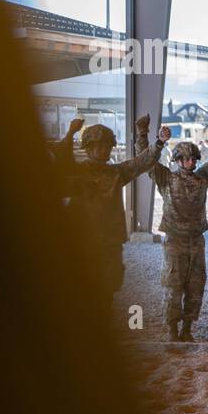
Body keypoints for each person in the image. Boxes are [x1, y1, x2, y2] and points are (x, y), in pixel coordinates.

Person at [134, 117, 208, 341]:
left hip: (196, 240)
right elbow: (144, 160)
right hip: (175, 240)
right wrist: (146, 134)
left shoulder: (202, 178)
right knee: (173, 286)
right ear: (178, 160)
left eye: (193, 159)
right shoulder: (166, 178)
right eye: (185, 159)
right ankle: (171, 330)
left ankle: (187, 329)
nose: (190, 162)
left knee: (195, 286)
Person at [54, 114, 164, 302]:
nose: (103, 150)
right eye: (97, 146)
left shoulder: (116, 173)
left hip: (109, 243)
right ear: (88, 148)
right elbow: (61, 164)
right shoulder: (77, 172)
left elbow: (141, 162)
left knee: (108, 290)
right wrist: (70, 133)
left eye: (106, 146)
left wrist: (157, 141)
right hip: (83, 243)